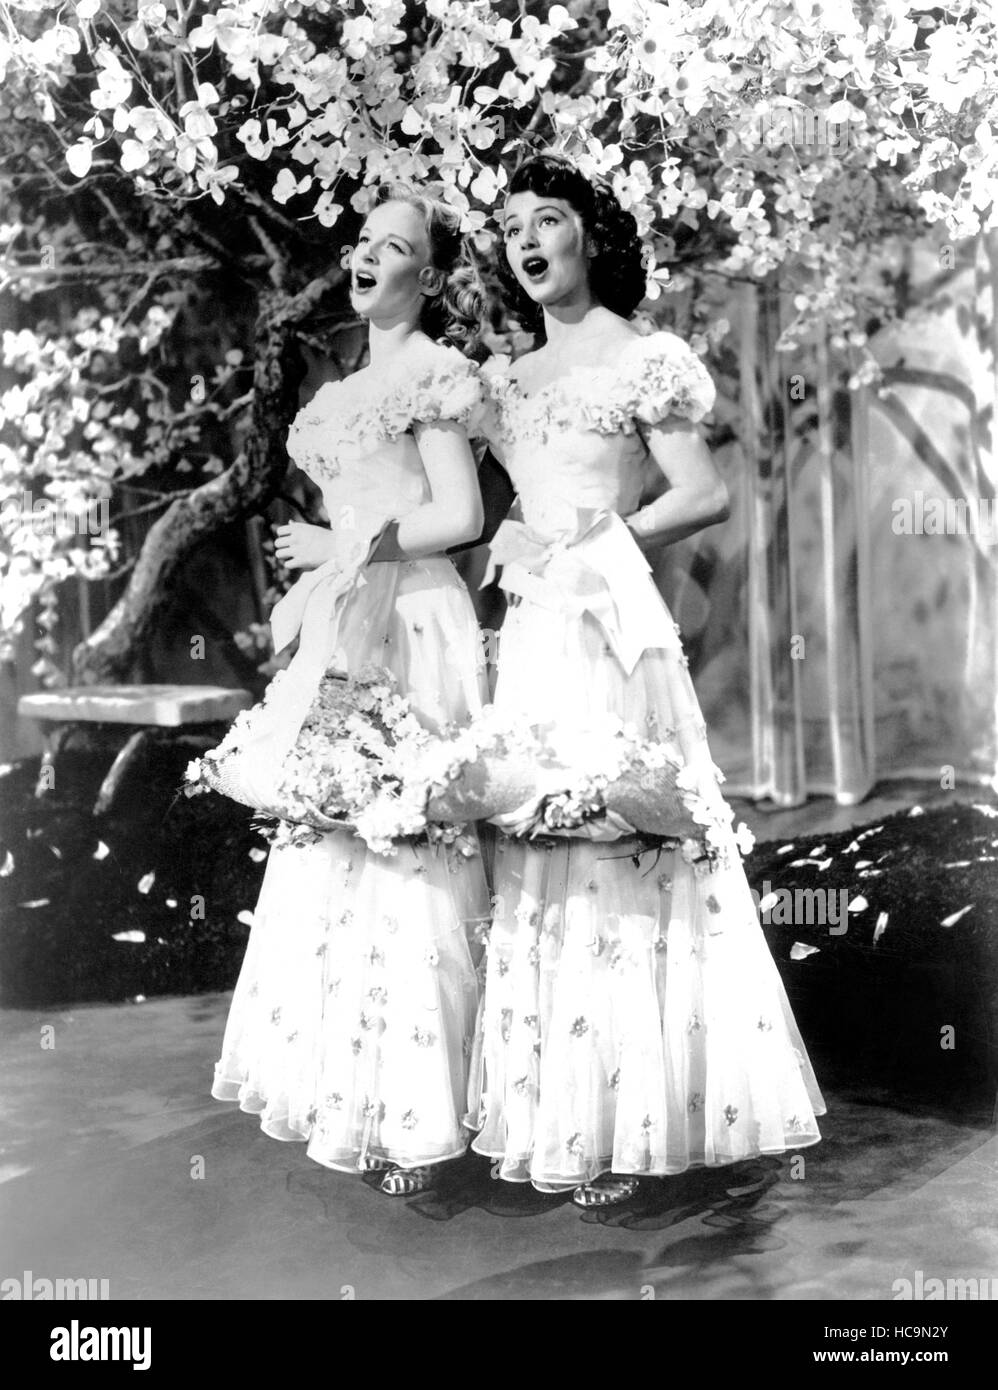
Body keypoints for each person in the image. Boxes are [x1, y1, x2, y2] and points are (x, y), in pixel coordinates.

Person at [466, 153, 826, 1205]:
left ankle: (641, 1125)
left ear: (591, 235)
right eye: (510, 224)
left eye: (548, 219)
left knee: (618, 848)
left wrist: (595, 540)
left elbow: (703, 491)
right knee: (538, 850)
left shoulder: (645, 357)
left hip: (613, 633)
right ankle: (561, 1117)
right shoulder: (508, 381)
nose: (526, 240)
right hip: (532, 635)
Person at [208, 183, 492, 1196]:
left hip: (414, 617)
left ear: (430, 272)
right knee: (334, 833)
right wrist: (331, 569)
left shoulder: (435, 377)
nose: (368, 257)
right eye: (362, 242)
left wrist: (347, 543)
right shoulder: (335, 390)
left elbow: (459, 516)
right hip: (345, 616)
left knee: (405, 841)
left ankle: (425, 1107)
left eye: (395, 245)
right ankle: (357, 1095)